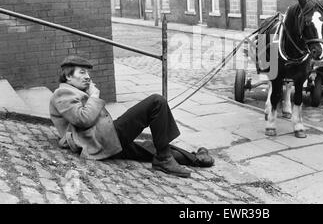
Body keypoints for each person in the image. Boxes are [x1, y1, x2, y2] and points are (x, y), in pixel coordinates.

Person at [49, 55, 213, 178]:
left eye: (88, 73)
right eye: (82, 72)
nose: (87, 76)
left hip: (103, 140)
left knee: (151, 147)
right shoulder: (62, 93)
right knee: (156, 102)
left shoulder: (76, 92)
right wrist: (94, 95)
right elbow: (83, 119)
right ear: (68, 76)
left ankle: (195, 158)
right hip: (98, 140)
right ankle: (164, 160)